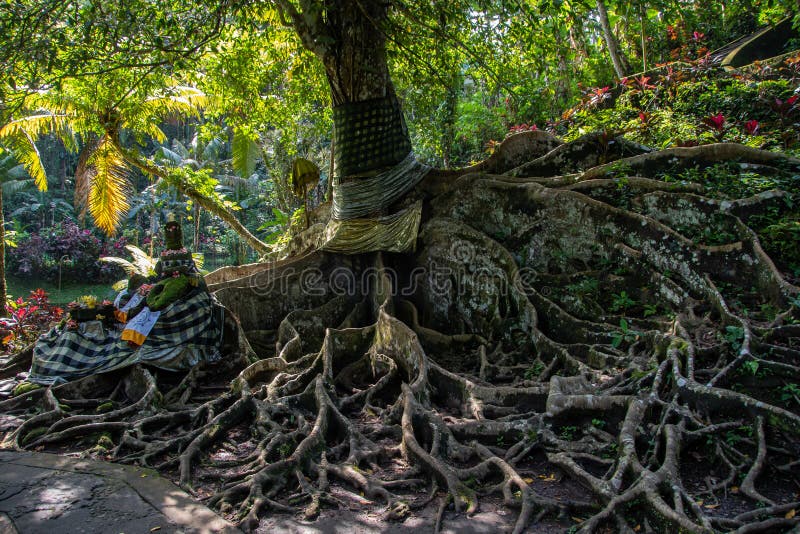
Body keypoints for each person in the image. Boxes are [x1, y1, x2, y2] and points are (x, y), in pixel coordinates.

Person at [24, 215, 222, 386]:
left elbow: (169, 297)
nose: (171, 271)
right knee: (123, 304)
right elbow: (151, 286)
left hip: (167, 309)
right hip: (147, 302)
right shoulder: (158, 277)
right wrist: (144, 291)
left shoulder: (192, 282)